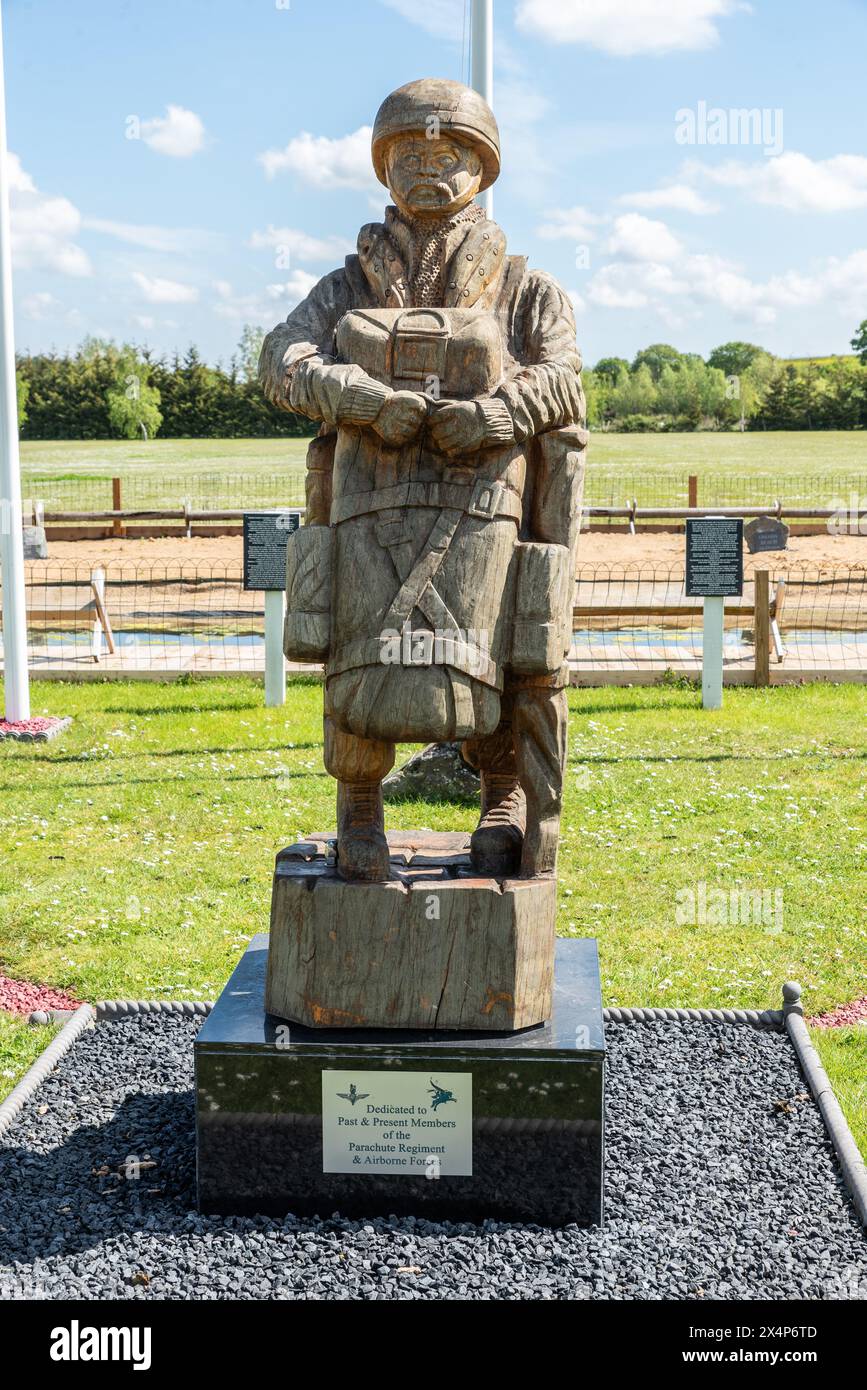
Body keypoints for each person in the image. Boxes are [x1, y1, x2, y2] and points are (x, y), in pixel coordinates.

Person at [260, 78, 587, 883]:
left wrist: (497, 414)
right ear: (383, 168)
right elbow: (281, 360)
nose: (429, 170)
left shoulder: (526, 289)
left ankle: (502, 798)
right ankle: (359, 807)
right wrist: (356, 396)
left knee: (500, 649)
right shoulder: (345, 288)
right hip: (366, 502)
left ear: (482, 168)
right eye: (409, 155)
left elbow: (562, 378)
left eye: (449, 155)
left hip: (485, 507)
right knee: (356, 648)